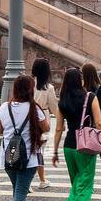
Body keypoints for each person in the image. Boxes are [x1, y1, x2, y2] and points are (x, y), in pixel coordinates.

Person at [52, 64, 101, 201]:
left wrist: (54, 151)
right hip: (85, 146)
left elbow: (59, 128)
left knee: (77, 184)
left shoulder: (63, 101)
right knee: (84, 186)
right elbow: (98, 124)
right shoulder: (90, 97)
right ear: (80, 80)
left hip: (68, 146)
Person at [0, 74, 50, 201]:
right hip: (29, 157)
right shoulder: (34, 108)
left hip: (9, 155)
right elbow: (45, 127)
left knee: (18, 188)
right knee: (20, 190)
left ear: (15, 89)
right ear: (31, 90)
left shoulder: (5, 107)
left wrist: (12, 127)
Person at [30, 58, 57, 190]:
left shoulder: (28, 84)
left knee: (30, 149)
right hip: (43, 119)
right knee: (39, 150)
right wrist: (61, 120)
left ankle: (29, 179)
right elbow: (54, 107)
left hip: (28, 118)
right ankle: (41, 180)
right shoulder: (48, 88)